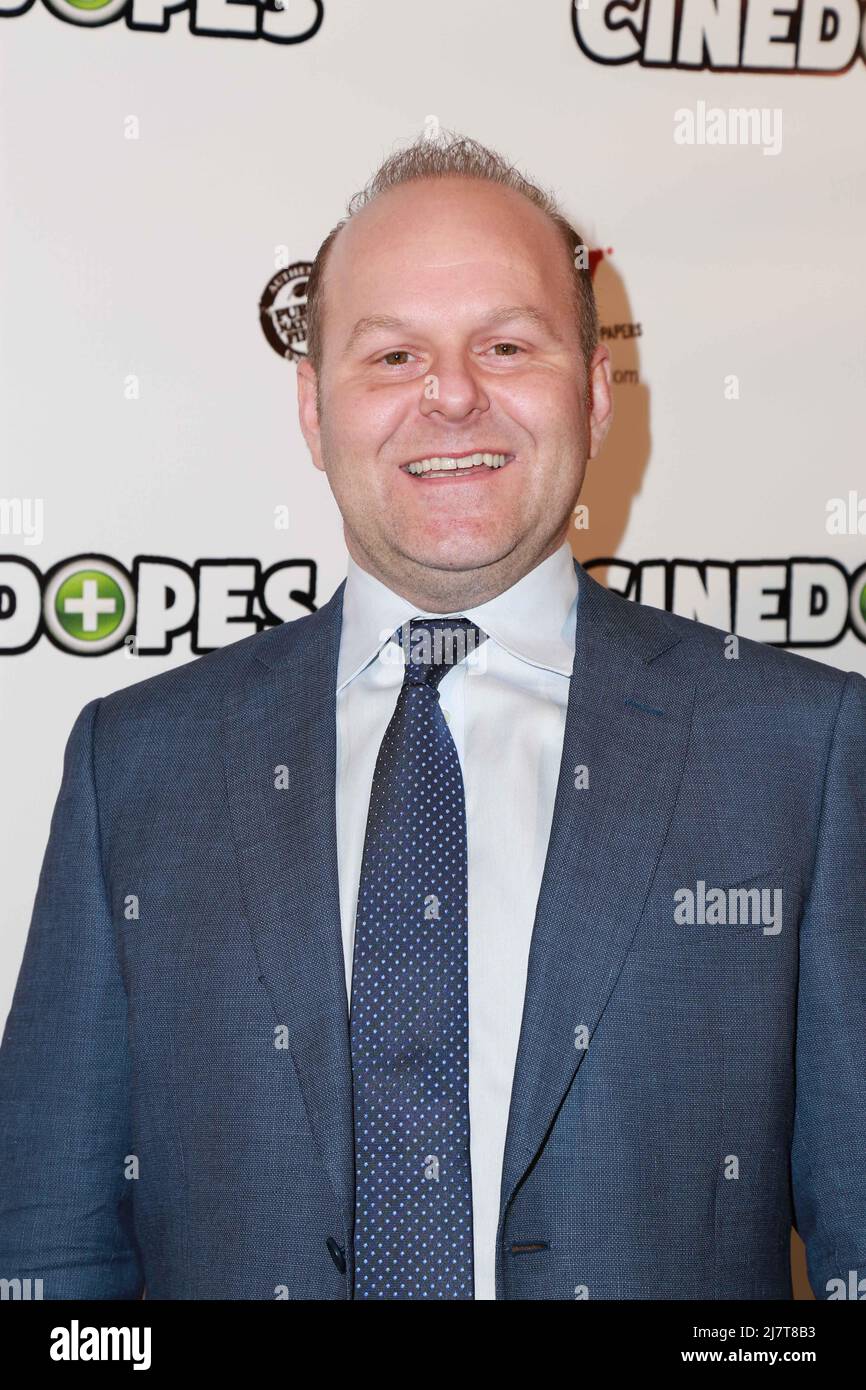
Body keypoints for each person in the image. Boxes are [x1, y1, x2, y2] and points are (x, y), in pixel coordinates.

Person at [1, 132, 864, 1301]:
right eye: (393, 353)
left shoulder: (799, 752)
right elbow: (50, 1246)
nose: (451, 395)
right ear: (311, 410)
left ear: (596, 393)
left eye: (505, 345)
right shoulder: (136, 762)